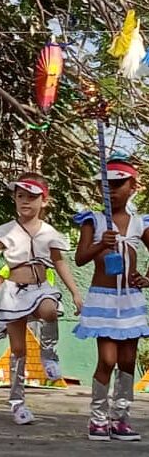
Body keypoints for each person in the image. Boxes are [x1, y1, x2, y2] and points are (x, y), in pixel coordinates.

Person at [0, 172, 83, 425]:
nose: (25, 202)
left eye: (31, 197)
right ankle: (18, 404)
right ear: (14, 200)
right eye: (20, 196)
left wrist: (75, 292)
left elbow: (60, 263)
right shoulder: (5, 231)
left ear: (44, 200)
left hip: (41, 288)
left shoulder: (50, 233)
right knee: (18, 350)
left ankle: (49, 355)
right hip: (13, 293)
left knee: (50, 310)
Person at [72, 159, 149, 441]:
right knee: (107, 359)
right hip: (102, 301)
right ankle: (98, 418)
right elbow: (80, 259)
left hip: (130, 300)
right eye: (107, 185)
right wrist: (100, 245)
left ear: (133, 188)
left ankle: (121, 418)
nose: (112, 190)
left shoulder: (140, 222)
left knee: (128, 360)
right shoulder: (93, 220)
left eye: (119, 184)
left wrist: (147, 278)